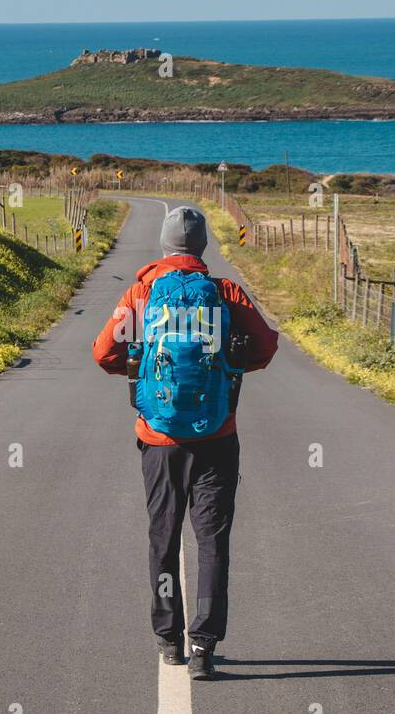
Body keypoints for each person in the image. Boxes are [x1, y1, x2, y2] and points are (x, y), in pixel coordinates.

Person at [92, 205, 277, 680]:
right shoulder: (224, 292)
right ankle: (203, 646)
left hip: (158, 437)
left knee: (164, 535)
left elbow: (103, 352)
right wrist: (233, 369)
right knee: (212, 540)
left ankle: (168, 639)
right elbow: (266, 345)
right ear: (202, 247)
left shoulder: (142, 292)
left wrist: (138, 374)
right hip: (218, 433)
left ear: (163, 244)